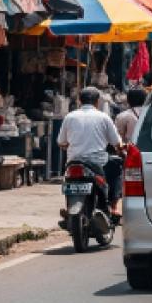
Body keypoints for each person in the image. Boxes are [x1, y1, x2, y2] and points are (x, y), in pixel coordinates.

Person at [57, 87, 123, 218]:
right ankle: (113, 206)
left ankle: (69, 207)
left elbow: (61, 142)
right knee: (117, 166)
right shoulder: (104, 117)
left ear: (79, 101)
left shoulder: (70, 117)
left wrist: (70, 145)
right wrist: (120, 149)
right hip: (97, 162)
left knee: (68, 177)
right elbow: (117, 143)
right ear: (97, 102)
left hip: (74, 161)